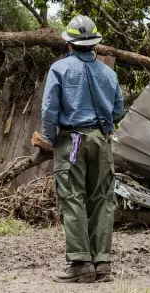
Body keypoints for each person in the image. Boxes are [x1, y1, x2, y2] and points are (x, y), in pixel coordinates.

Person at [40, 15, 124, 283]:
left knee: (73, 198)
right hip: (101, 140)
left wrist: (51, 139)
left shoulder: (59, 69)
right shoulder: (109, 73)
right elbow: (118, 109)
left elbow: (49, 110)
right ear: (94, 45)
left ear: (69, 44)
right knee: (102, 200)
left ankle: (80, 264)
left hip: (71, 141)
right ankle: (102, 264)